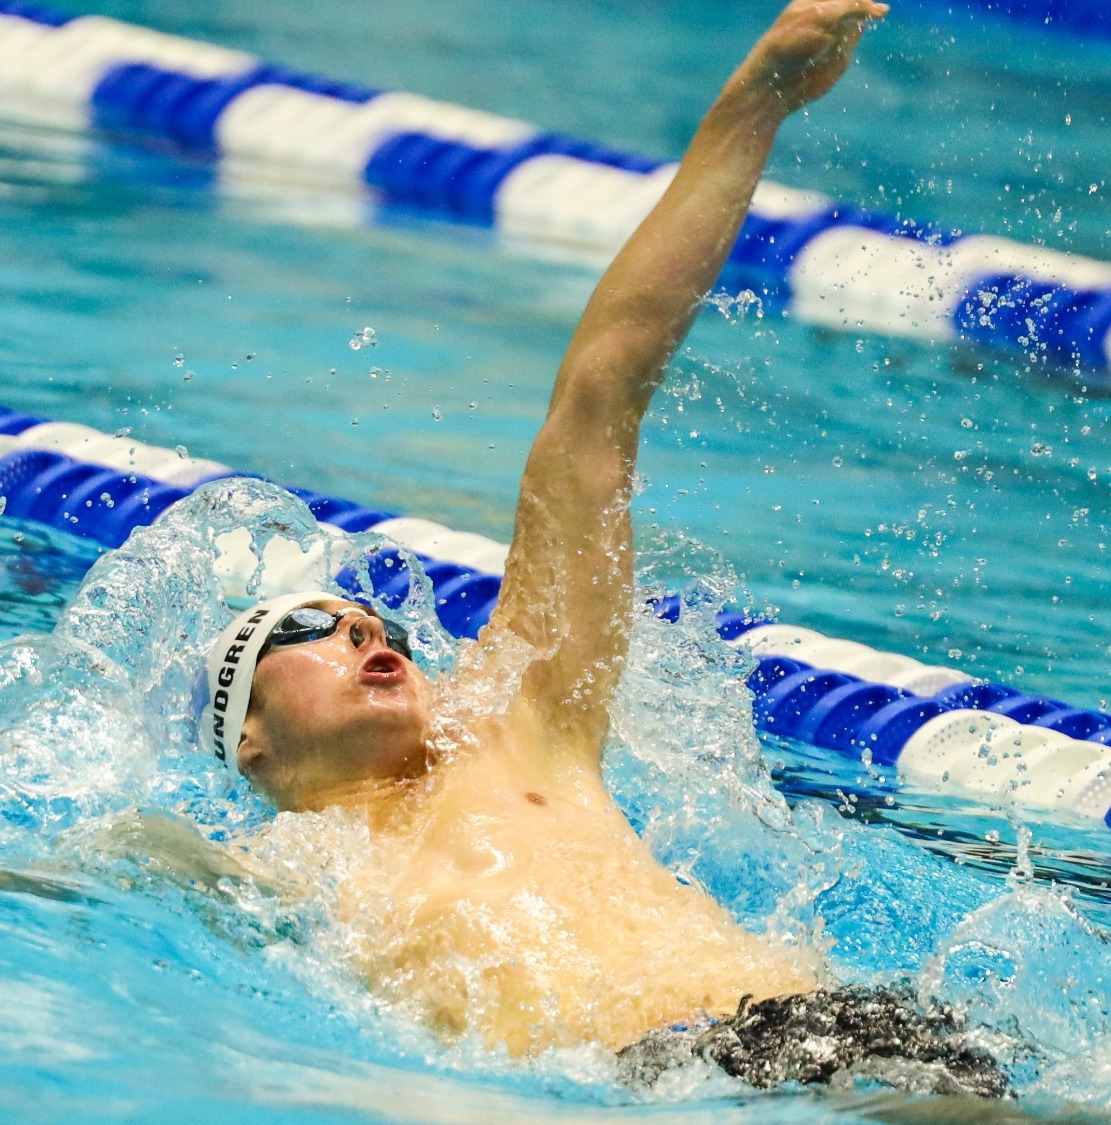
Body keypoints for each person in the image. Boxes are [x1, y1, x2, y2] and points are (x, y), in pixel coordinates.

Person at [199, 0, 1008, 1097]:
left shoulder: (522, 729)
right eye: (308, 630)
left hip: (784, 1045)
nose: (362, 631)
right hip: (630, 1091)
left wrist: (755, 100)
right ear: (249, 744)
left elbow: (603, 384)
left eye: (371, 622)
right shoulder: (260, 873)